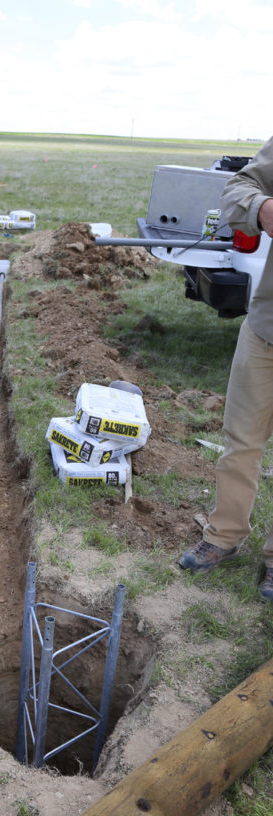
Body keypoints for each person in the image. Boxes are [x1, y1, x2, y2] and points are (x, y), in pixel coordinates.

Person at [179, 135, 273, 603]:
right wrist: (262, 208)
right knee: (240, 441)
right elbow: (238, 187)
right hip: (265, 326)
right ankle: (224, 535)